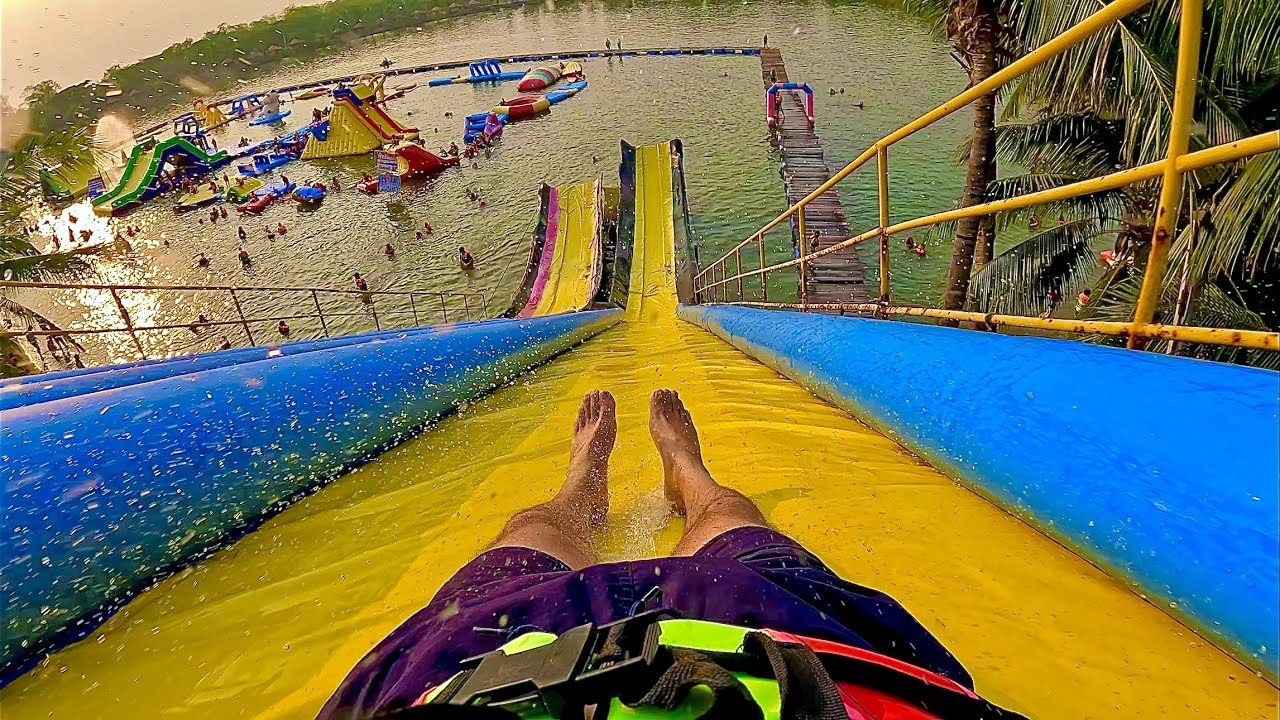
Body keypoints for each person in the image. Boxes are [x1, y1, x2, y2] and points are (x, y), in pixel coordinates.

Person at [317, 390, 1022, 720]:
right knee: (731, 519)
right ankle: (688, 475)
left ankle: (581, 488)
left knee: (528, 535)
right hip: (790, 642)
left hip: (476, 664)